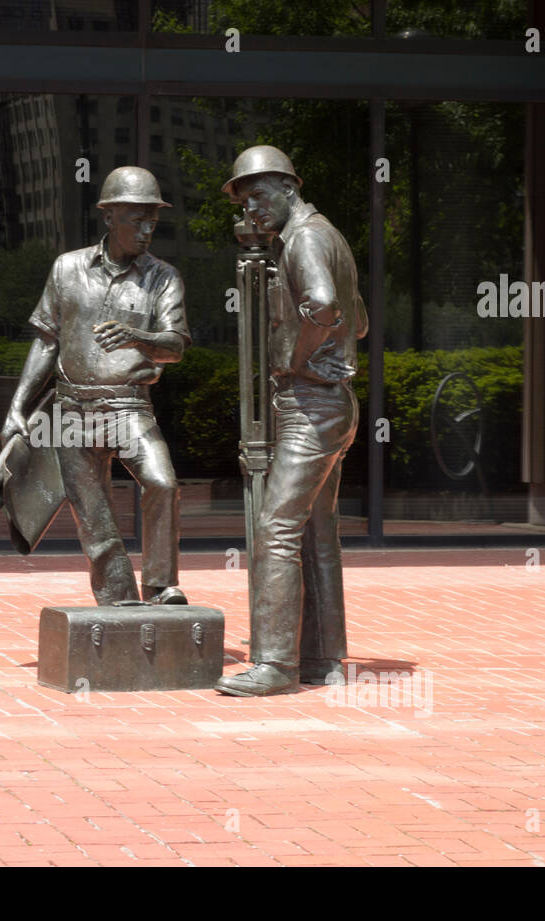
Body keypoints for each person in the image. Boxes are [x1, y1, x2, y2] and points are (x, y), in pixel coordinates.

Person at [215, 145, 368, 696]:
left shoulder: (304, 238)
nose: (252, 208)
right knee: (316, 532)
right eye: (244, 198)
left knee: (276, 527)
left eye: (258, 194)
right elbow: (361, 321)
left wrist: (293, 356)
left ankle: (275, 665)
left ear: (288, 187)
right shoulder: (328, 236)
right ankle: (324, 658)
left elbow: (324, 307)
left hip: (312, 403)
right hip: (335, 402)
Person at [0, 167, 189, 606]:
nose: (146, 230)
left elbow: (175, 346)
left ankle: (160, 585)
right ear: (109, 217)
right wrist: (17, 408)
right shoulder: (67, 269)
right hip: (72, 412)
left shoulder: (163, 278)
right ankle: (118, 601)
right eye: (136, 220)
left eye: (152, 222)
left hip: (128, 408)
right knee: (94, 518)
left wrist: (138, 336)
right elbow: (47, 342)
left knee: (163, 483)